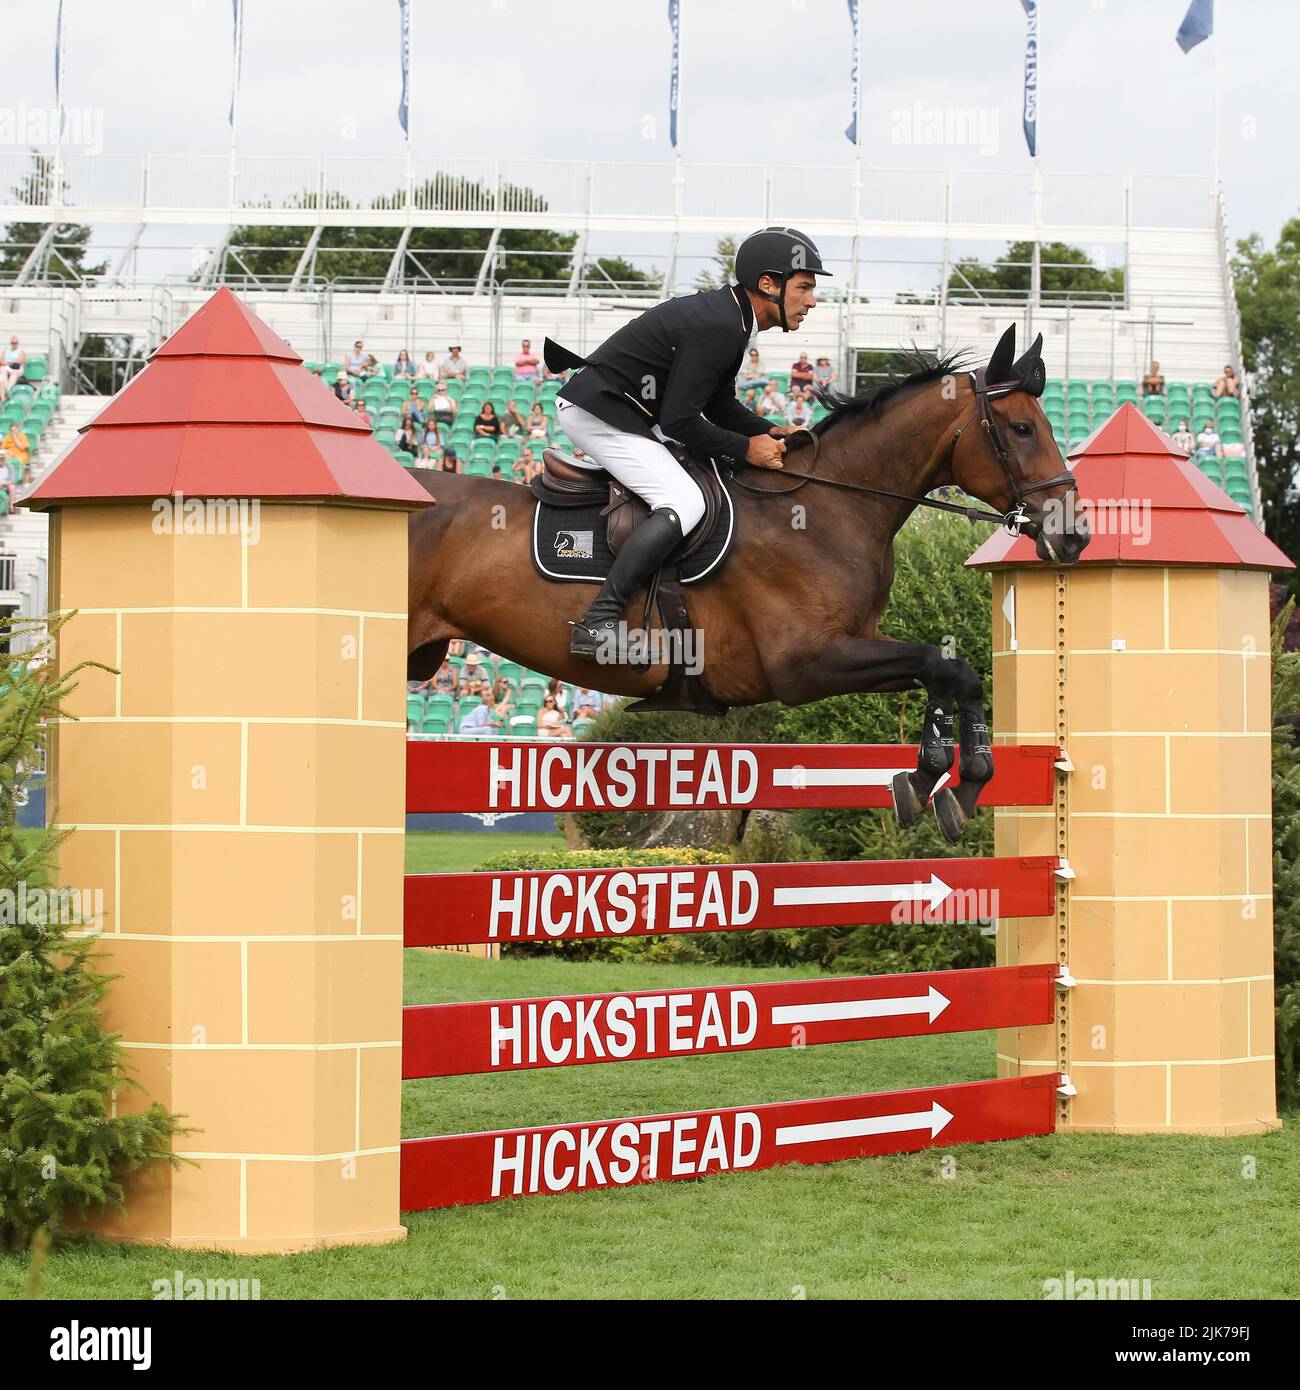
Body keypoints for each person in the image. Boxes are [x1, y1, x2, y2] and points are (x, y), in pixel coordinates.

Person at [549, 226, 829, 661]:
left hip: (629, 411)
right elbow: (681, 421)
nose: (812, 300)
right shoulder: (721, 324)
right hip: (601, 413)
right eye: (805, 287)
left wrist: (770, 430)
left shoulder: (732, 319)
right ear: (769, 284)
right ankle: (599, 621)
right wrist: (745, 448)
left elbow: (718, 403)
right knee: (686, 501)